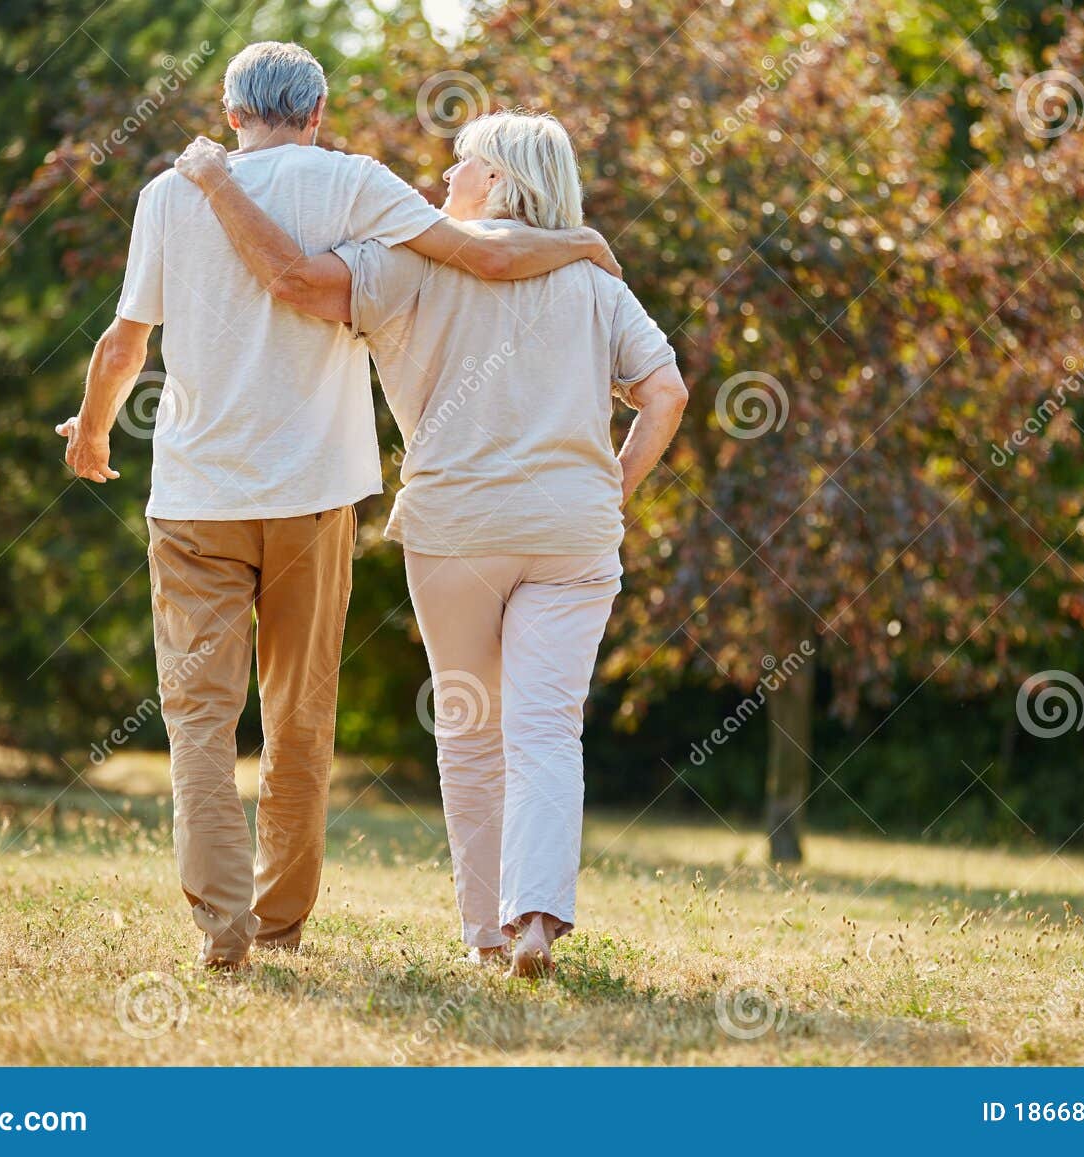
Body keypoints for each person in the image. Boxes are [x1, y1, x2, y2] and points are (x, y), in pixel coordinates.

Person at [56, 43, 620, 972]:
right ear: (317, 113)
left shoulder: (169, 193)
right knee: (299, 716)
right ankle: (279, 922)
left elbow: (126, 340)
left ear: (232, 113)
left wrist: (91, 430)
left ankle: (221, 927)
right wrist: (581, 244)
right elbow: (477, 250)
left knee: (199, 719)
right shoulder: (357, 182)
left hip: (196, 497)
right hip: (314, 496)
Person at [172, 109, 688, 976]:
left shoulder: (408, 260)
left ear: (495, 179)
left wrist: (219, 187)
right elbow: (665, 393)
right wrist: (613, 486)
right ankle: (535, 920)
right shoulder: (595, 276)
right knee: (549, 729)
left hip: (456, 527)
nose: (443, 179)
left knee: (471, 726)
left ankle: (485, 934)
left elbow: (298, 285)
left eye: (460, 165)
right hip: (573, 529)